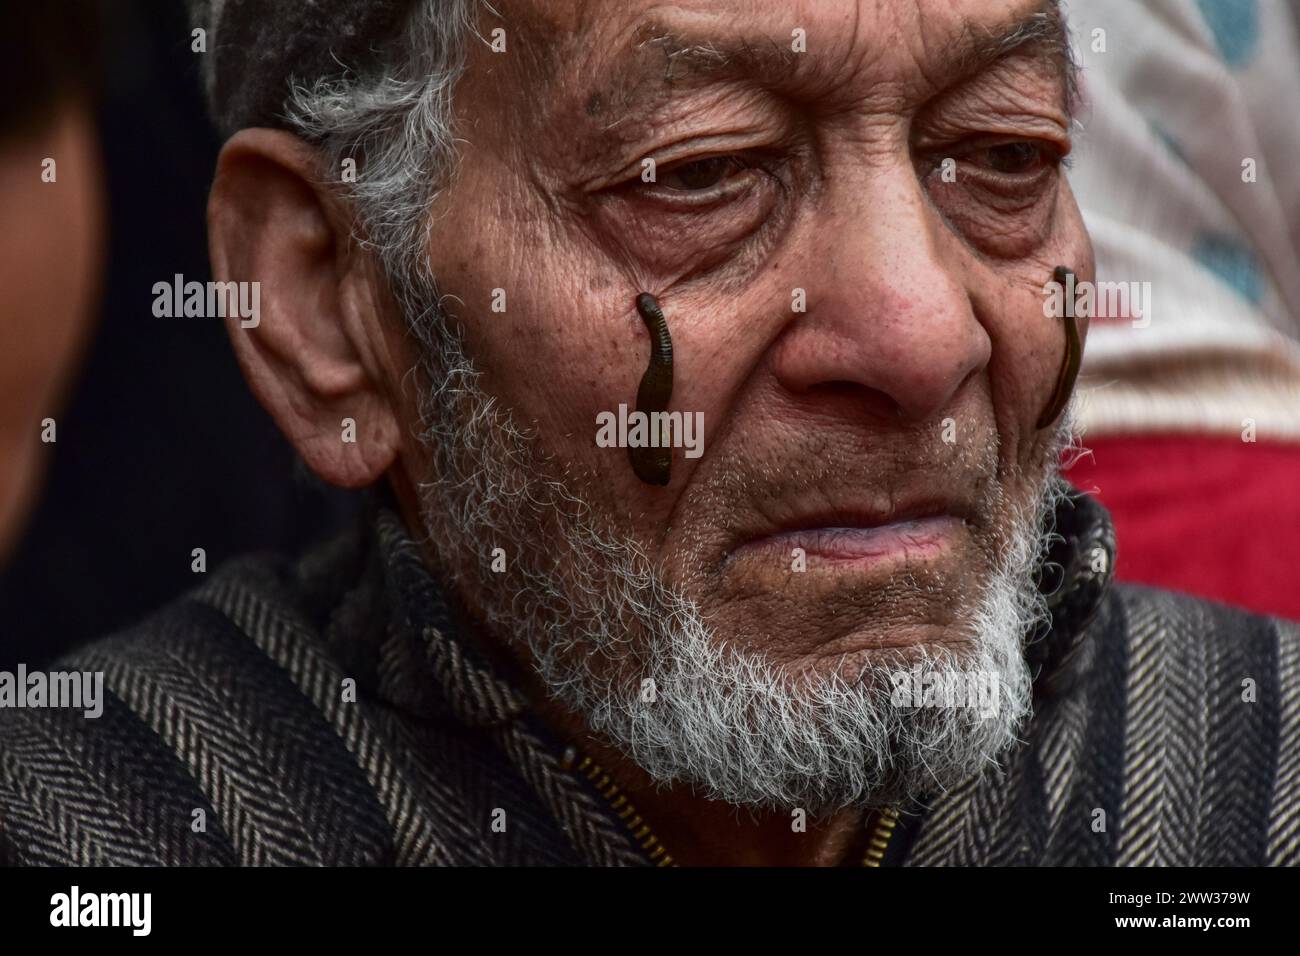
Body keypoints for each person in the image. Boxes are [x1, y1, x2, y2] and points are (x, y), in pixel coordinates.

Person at [0, 0, 1296, 866]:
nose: (921, 337)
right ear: (329, 303)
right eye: (699, 171)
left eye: (1004, 154)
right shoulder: (96, 830)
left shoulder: (1263, 771)